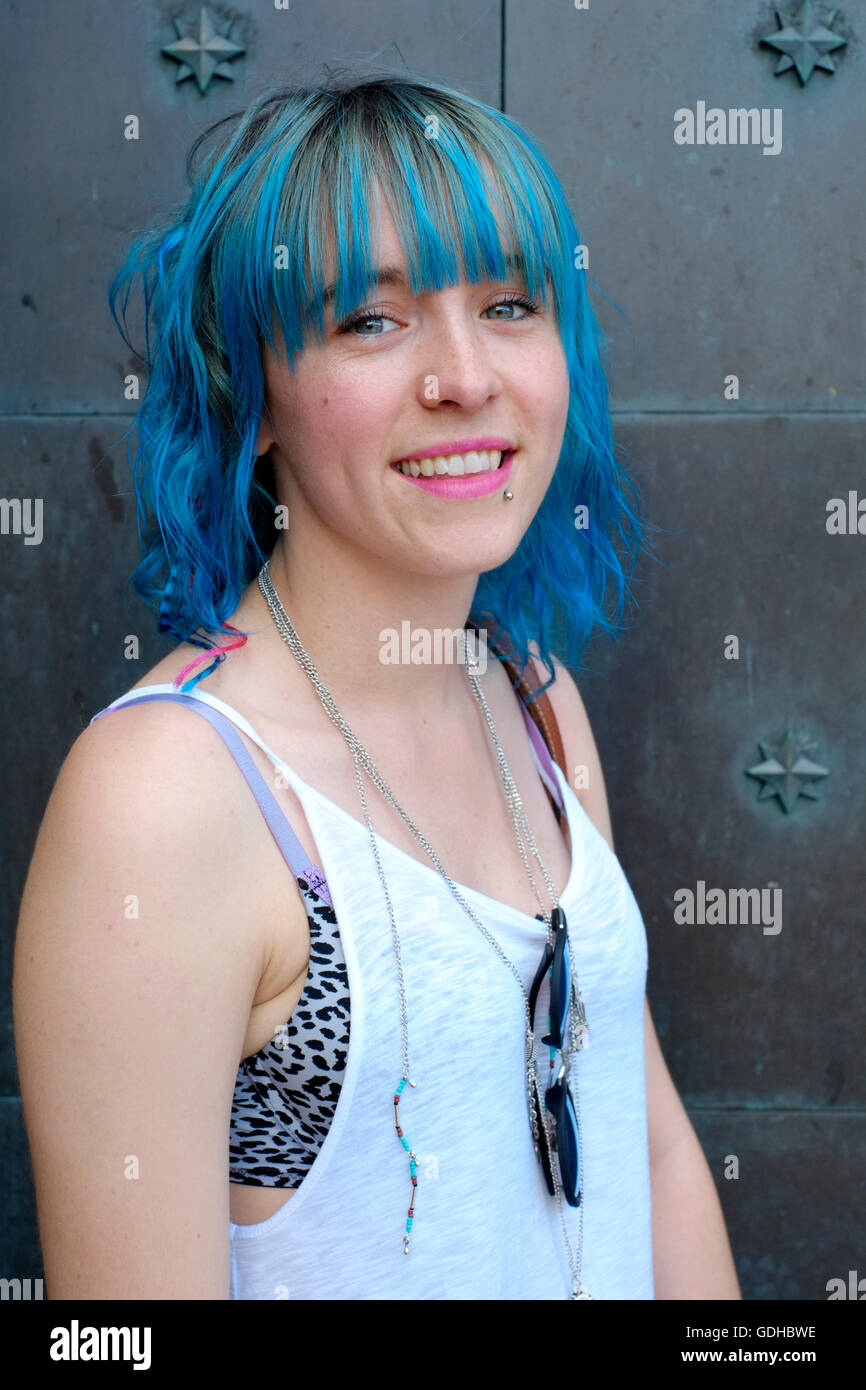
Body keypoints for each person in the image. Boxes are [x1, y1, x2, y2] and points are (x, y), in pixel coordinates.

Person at [13, 73, 740, 1300]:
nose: (465, 377)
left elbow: (647, 1143)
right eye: (370, 320)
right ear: (251, 403)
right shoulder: (171, 797)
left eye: (508, 304)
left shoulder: (533, 698)